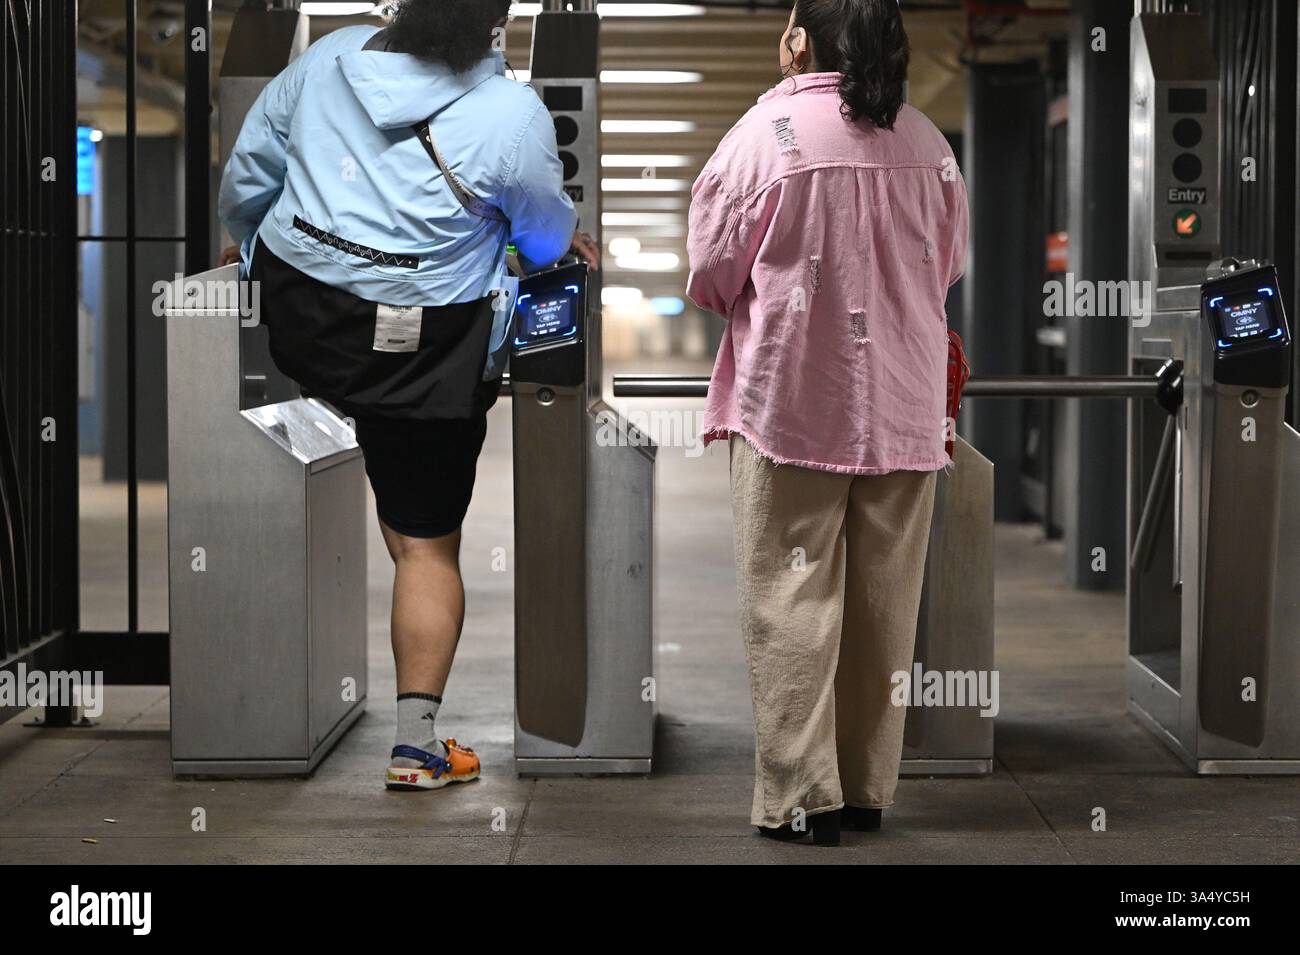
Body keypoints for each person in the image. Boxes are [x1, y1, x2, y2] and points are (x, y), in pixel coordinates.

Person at [217, 0, 598, 792]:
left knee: (391, 492)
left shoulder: (331, 57)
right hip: (427, 351)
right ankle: (416, 746)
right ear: (494, 23)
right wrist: (554, 244)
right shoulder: (511, 112)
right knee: (427, 546)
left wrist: (252, 252)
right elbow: (541, 235)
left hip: (304, 322)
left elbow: (251, 170)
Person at [686, 0, 968, 845]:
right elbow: (949, 267)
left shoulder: (764, 137)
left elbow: (709, 271)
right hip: (906, 405)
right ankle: (866, 789)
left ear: (800, 41)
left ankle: (803, 796)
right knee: (887, 601)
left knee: (792, 597)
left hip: (793, 406)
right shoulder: (929, 144)